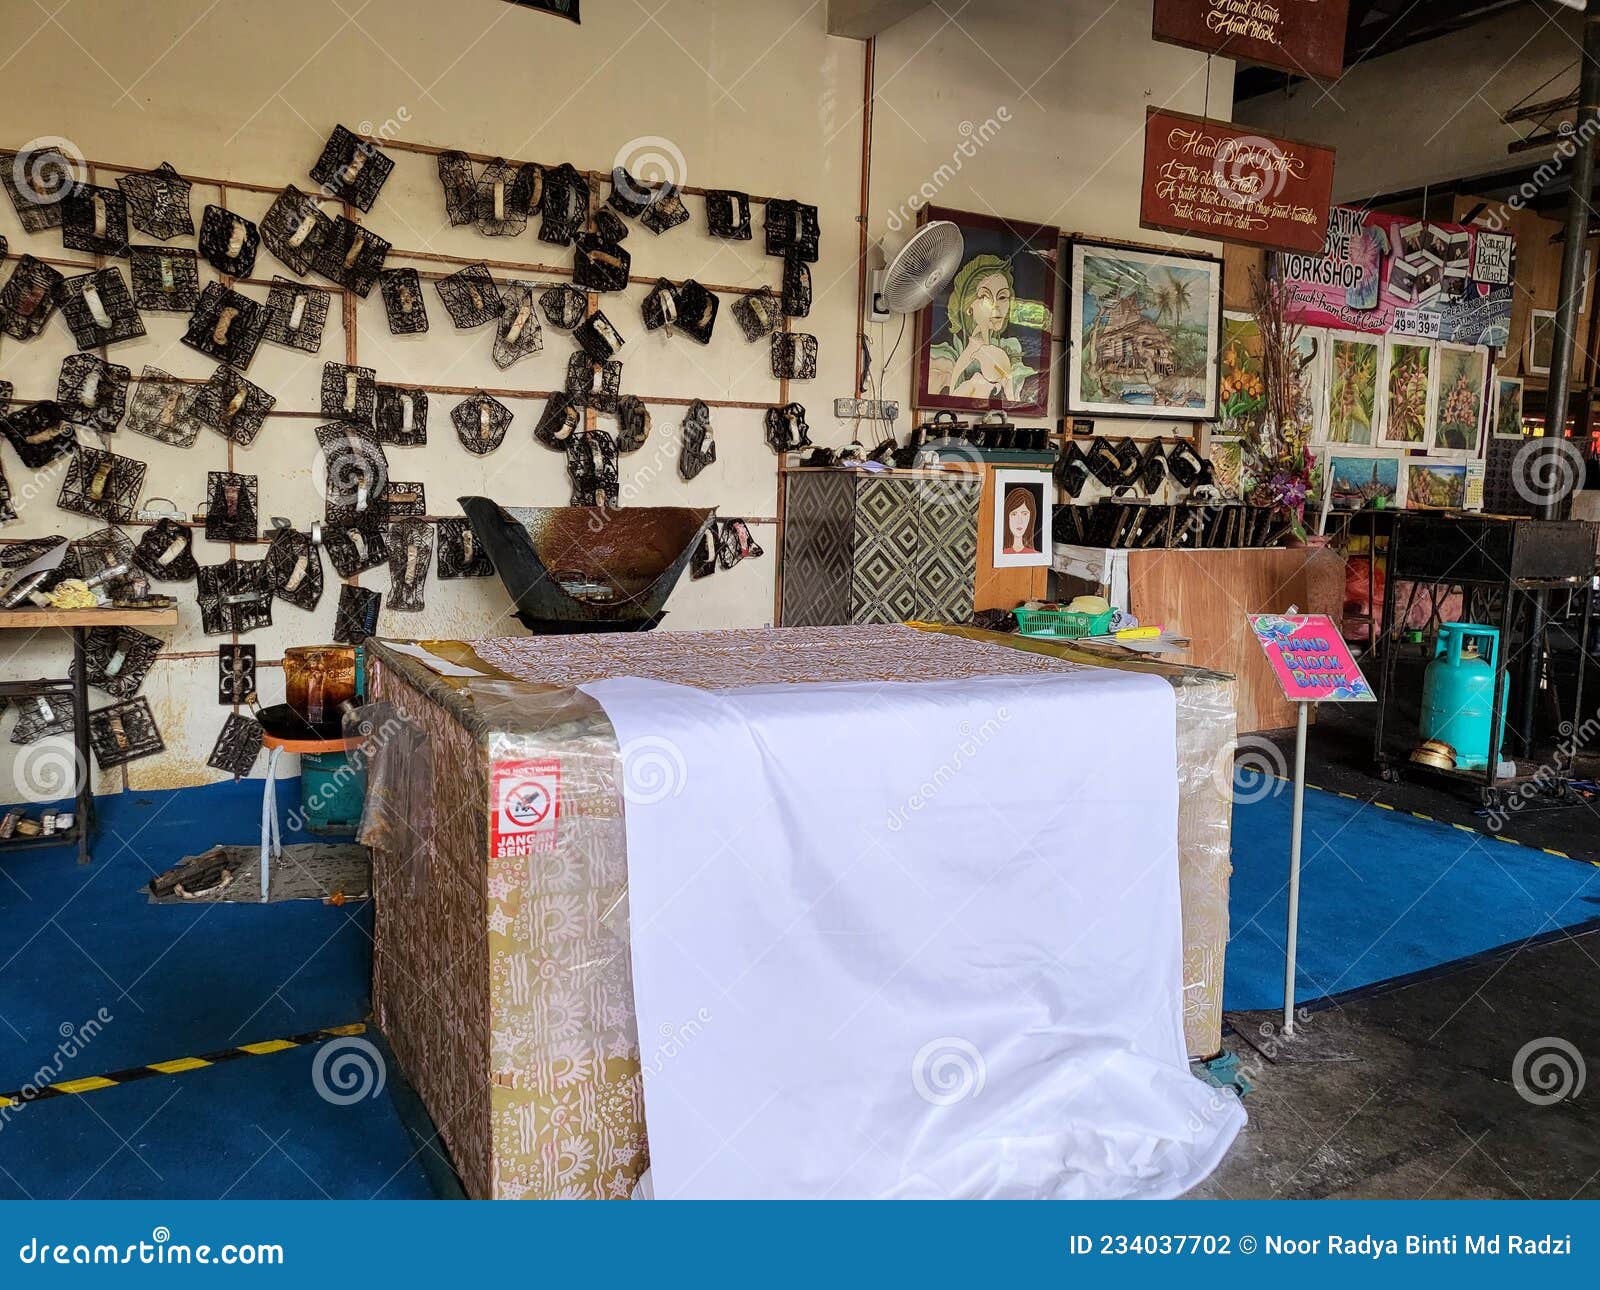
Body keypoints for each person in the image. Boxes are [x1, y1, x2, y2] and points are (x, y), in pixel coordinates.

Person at [927, 254, 1036, 403]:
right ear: (968, 306)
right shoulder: (943, 357)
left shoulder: (1010, 349)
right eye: (985, 297)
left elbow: (1016, 399)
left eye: (1003, 297)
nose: (995, 306)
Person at [1002, 485, 1039, 555]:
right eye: (1014, 514)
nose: (1019, 521)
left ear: (1031, 517)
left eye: (1024, 514)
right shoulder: (999, 554)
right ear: (1007, 516)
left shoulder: (1037, 556)